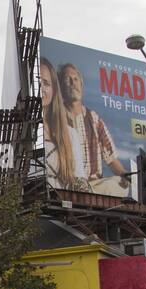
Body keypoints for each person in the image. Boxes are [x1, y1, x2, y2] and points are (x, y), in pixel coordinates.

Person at [60, 63, 132, 197]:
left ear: (81, 85)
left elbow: (110, 158)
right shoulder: (57, 118)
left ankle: (87, 194)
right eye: (67, 80)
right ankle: (83, 194)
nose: (72, 83)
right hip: (67, 185)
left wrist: (126, 176)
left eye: (75, 79)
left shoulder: (94, 119)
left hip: (94, 185)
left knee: (119, 185)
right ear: (61, 87)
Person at [40, 58, 86, 191]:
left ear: (54, 90)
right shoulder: (23, 131)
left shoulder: (70, 134)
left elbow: (79, 179)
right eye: (37, 81)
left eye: (47, 83)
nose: (42, 87)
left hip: (62, 208)